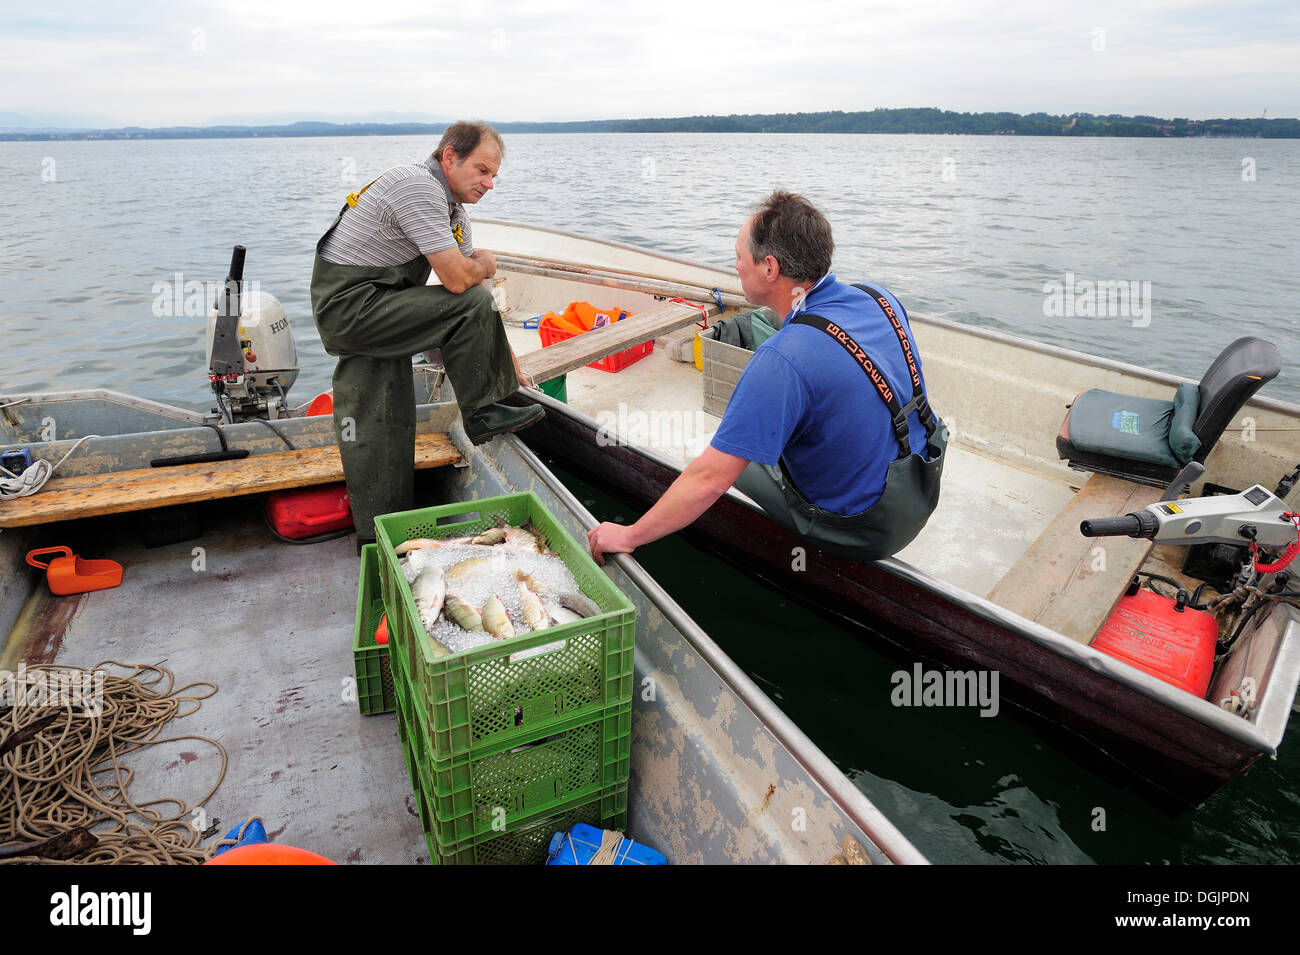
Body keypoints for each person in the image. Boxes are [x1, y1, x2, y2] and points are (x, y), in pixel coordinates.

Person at [587, 190, 945, 565]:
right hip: (921, 487)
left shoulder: (782, 359)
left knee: (730, 464)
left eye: (739, 257)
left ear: (769, 268)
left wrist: (629, 534)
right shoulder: (880, 298)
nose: (737, 266)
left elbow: (710, 478)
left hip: (868, 529)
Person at [311, 120, 543, 549]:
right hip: (348, 309)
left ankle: (380, 540)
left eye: (494, 175)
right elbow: (459, 282)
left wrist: (512, 366)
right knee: (465, 301)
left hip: (379, 308)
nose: (489, 183)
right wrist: (487, 264)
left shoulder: (454, 215)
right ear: (450, 156)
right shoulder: (417, 187)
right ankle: (482, 414)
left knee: (386, 423)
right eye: (482, 170)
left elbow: (483, 304)